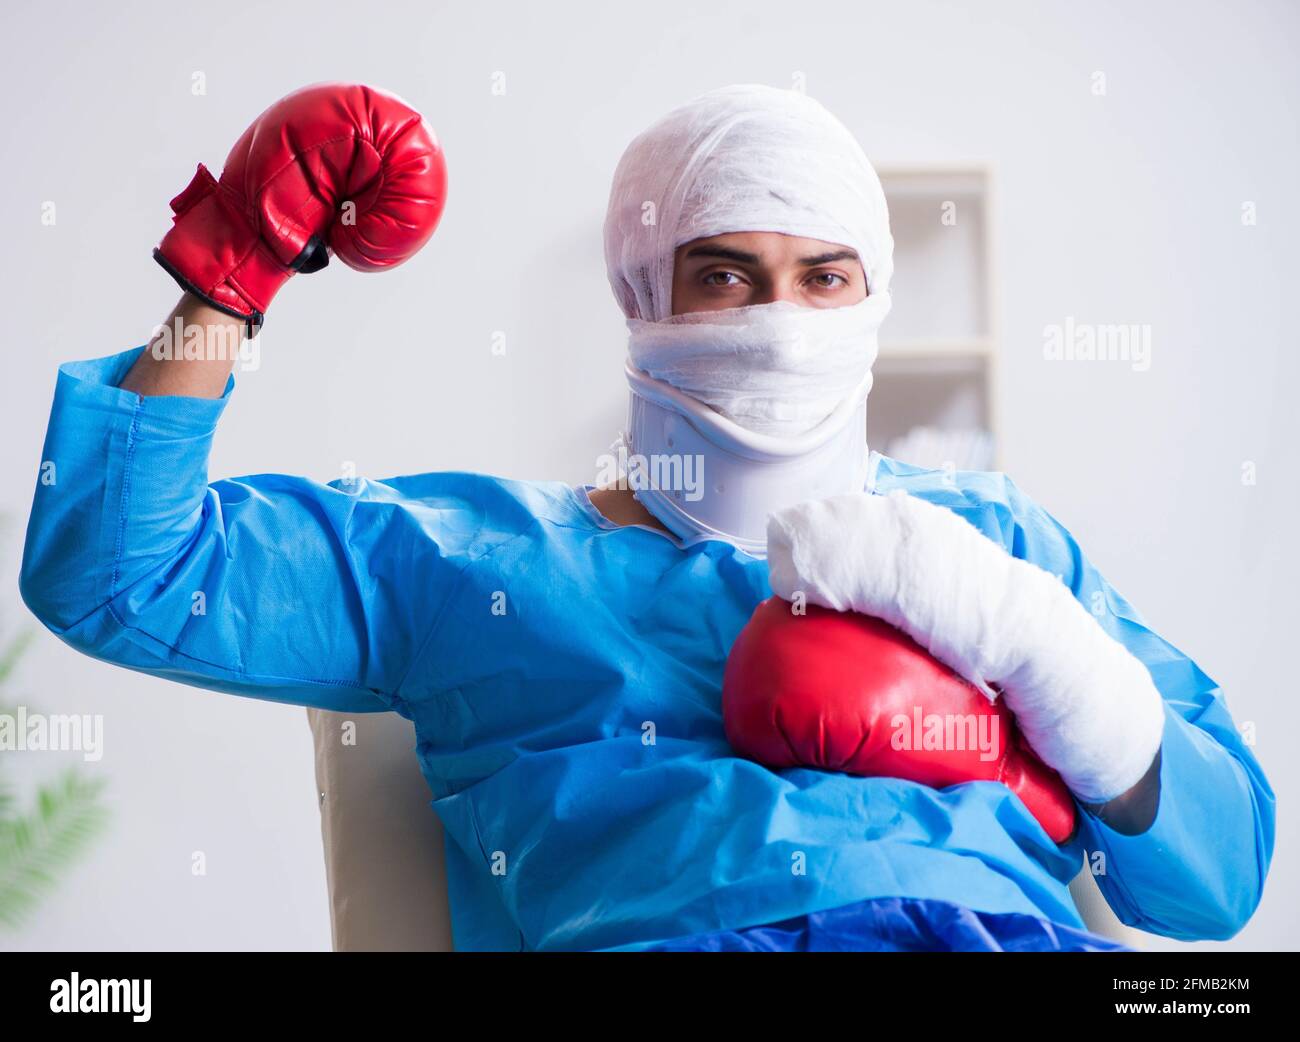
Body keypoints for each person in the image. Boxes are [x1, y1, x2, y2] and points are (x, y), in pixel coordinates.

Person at [20, 82, 1274, 952]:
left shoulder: (995, 551)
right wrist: (235, 261)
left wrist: (1041, 660)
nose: (778, 316)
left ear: (870, 296)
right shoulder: (472, 561)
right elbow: (119, 574)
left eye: (823, 277)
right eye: (723, 273)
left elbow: (1214, 883)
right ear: (640, 292)